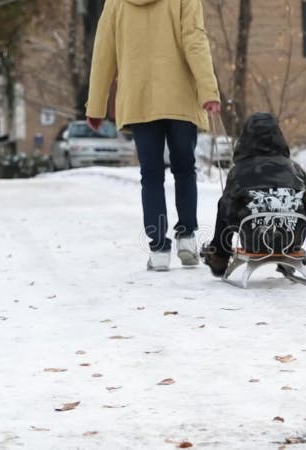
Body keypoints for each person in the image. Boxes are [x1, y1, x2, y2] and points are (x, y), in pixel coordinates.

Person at [85, 0, 220, 271]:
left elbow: (103, 53)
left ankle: (158, 249)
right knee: (184, 169)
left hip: (139, 99)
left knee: (151, 175)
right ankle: (186, 237)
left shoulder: (116, 3)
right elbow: (195, 39)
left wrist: (96, 105)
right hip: (179, 97)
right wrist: (208, 90)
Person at [203, 113, 306, 277]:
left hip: (254, 241)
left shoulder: (239, 171)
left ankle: (220, 257)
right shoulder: (295, 169)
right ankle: (285, 251)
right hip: (292, 240)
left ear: (246, 138)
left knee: (224, 203)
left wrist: (245, 216)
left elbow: (228, 214)